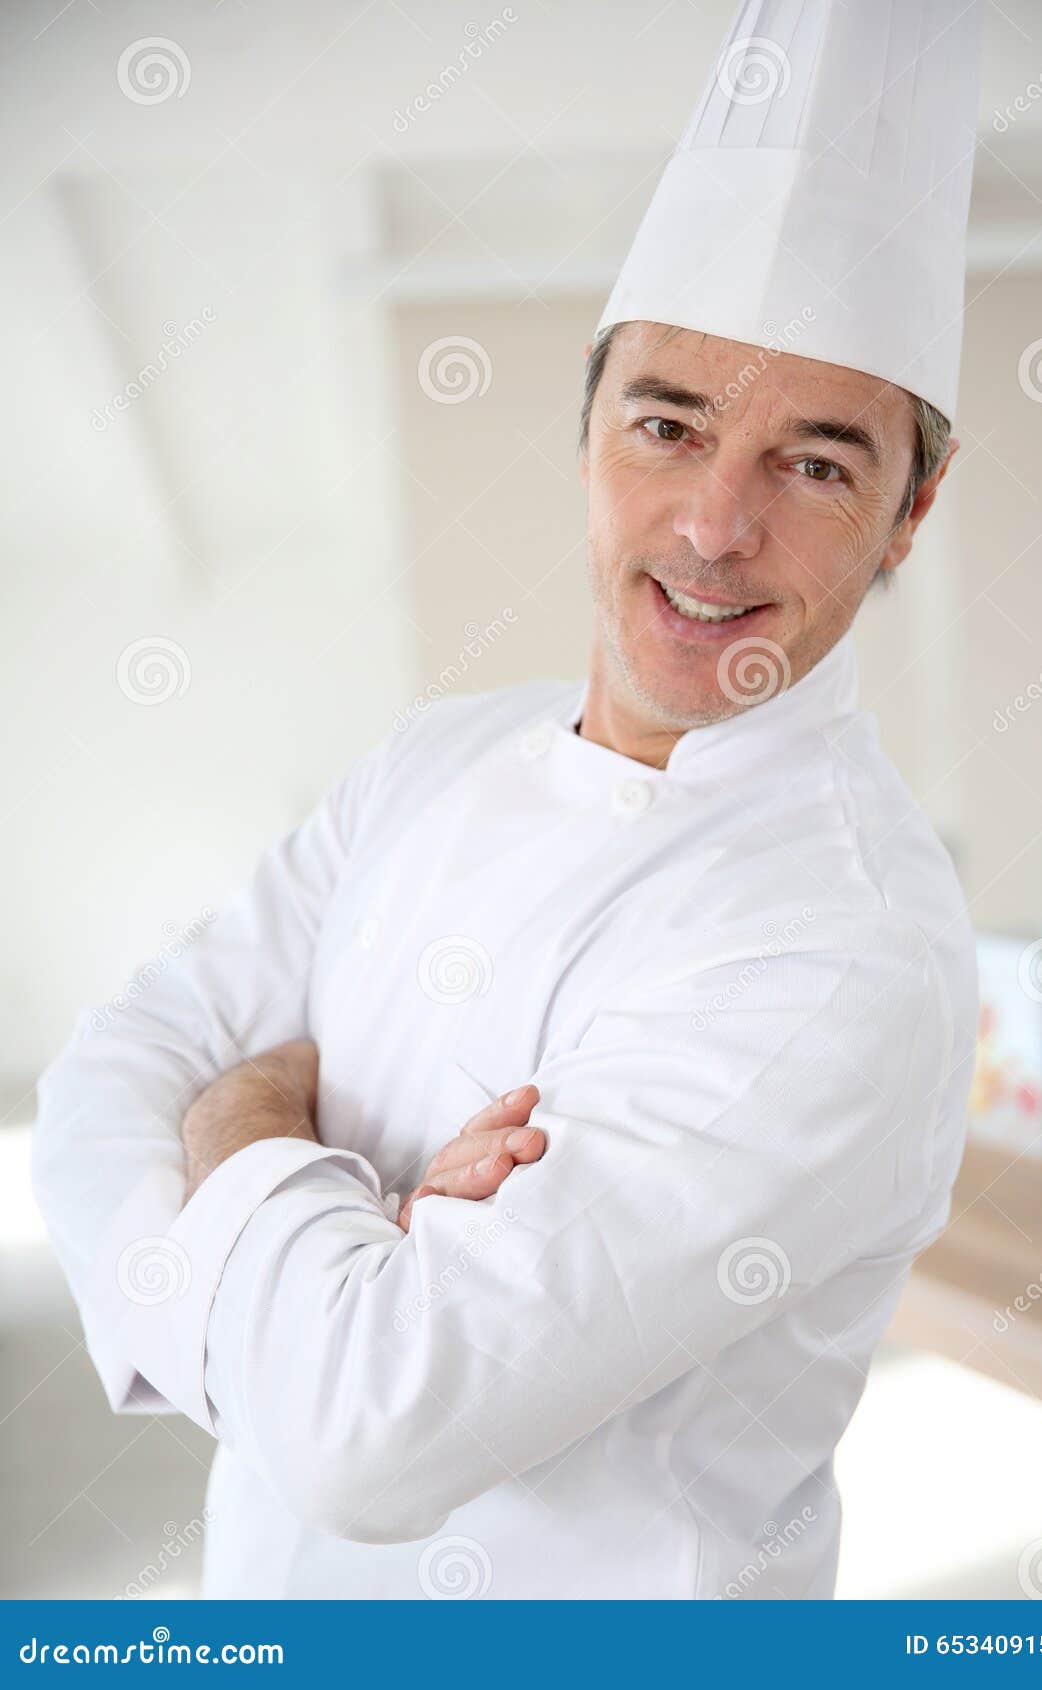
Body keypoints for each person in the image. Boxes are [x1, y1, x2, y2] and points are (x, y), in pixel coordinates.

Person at [34, 0, 984, 1600]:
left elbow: (362, 1435)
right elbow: (97, 1083)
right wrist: (328, 1274)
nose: (711, 526)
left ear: (910, 511)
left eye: (814, 466)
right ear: (589, 427)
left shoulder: (839, 940)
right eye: (667, 424)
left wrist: (249, 1122)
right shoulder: (439, 757)